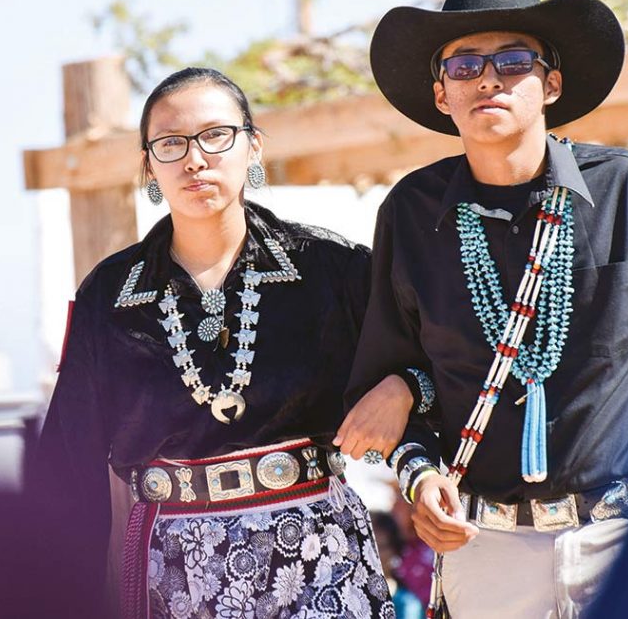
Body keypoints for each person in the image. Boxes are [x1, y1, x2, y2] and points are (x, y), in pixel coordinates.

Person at [347, 0, 628, 618]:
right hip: (485, 547)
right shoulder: (412, 213)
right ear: (441, 94)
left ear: (550, 83)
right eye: (463, 66)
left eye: (513, 60)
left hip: (626, 532)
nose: (488, 78)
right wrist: (419, 475)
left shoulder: (624, 190)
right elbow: (387, 386)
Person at [31, 67, 409, 619]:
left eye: (216, 135)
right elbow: (68, 460)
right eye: (170, 143)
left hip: (318, 549)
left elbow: (421, 363)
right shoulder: (111, 296)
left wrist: (403, 388)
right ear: (149, 165)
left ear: (253, 147)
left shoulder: (331, 268)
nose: (194, 159)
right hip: (177, 567)